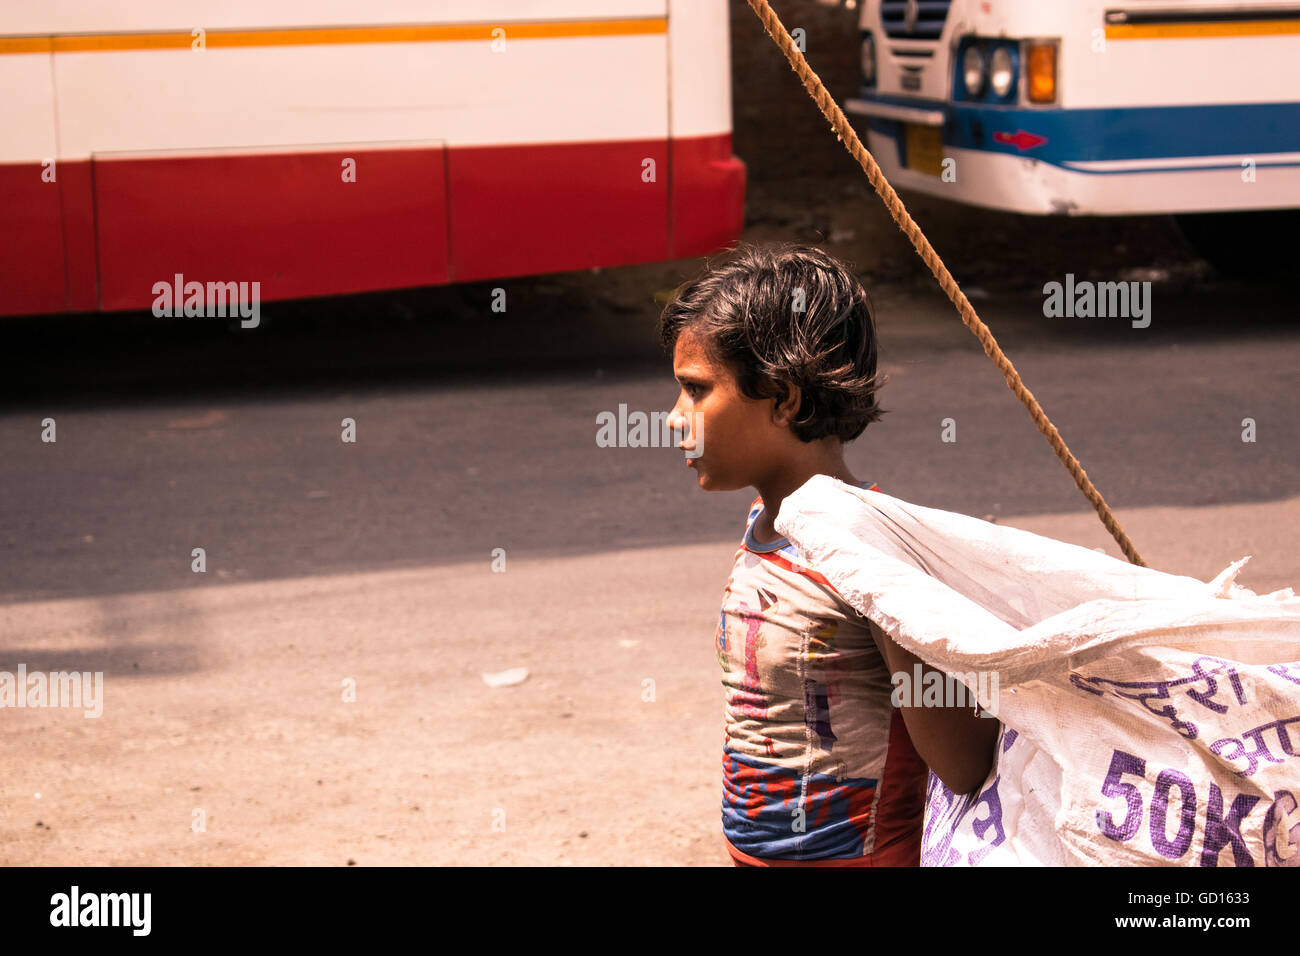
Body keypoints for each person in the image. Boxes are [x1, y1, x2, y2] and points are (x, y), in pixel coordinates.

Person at [659, 242, 999, 866]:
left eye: (696, 390)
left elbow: (962, 761)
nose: (675, 417)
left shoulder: (866, 554)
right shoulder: (767, 521)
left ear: (784, 399)